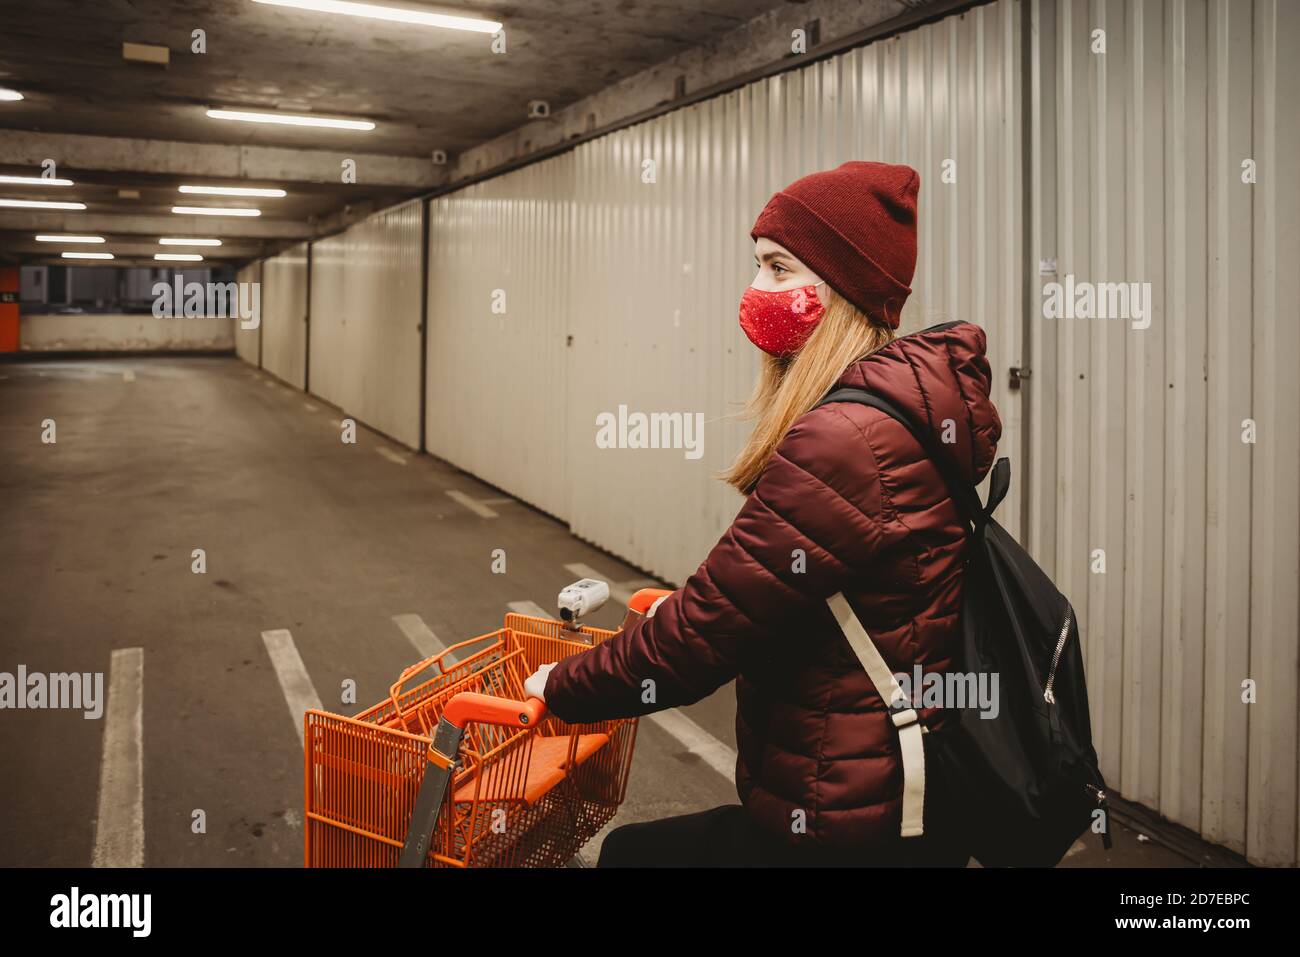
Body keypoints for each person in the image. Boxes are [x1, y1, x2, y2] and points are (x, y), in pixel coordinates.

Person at [523, 160, 1002, 867]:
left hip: (847, 816)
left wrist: (561, 686)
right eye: (758, 266)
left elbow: (702, 639)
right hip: (878, 789)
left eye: (779, 268)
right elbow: (776, 590)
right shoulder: (898, 417)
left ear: (841, 290)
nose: (756, 290)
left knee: (629, 856)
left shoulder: (845, 440)